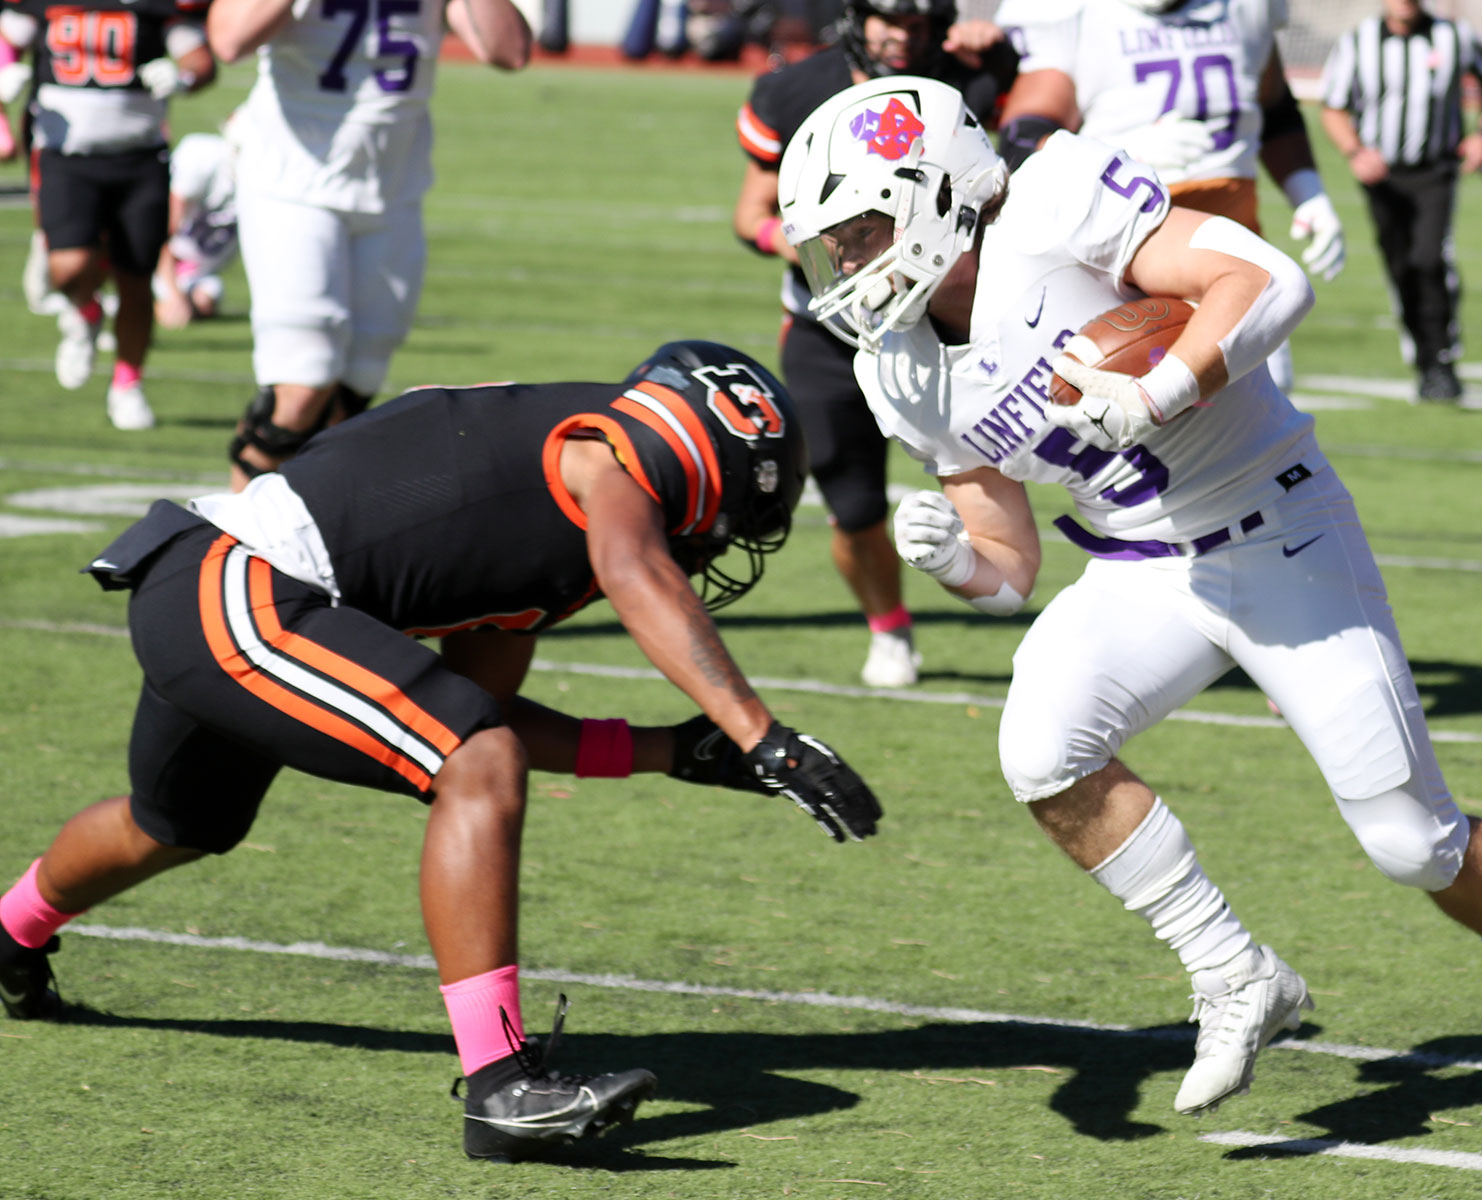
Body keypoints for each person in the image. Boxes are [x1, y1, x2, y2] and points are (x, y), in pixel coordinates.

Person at [778, 77, 1482, 1131]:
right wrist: (956, 558)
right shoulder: (898, 368)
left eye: (862, 230)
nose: (851, 264)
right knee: (1040, 748)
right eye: (837, 242)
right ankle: (1235, 973)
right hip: (1143, 565)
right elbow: (1011, 568)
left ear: (935, 191)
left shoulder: (1052, 201)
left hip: (1282, 534)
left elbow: (1267, 279)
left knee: (1413, 845)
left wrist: (1159, 387)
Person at [0, 341, 884, 1161]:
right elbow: (629, 573)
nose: (716, 545)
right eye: (727, 518)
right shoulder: (610, 455)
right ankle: (501, 1086)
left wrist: (667, 751)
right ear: (691, 459)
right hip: (242, 590)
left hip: (208, 587)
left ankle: (10, 932)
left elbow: (480, 707)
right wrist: (761, 735)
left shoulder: (553, 519)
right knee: (476, 761)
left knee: (177, 821)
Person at [732, 0, 1015, 687]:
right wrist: (814, 249)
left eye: (920, 23)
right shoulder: (796, 90)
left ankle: (1005, 568)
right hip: (836, 324)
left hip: (946, 319)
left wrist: (1005, 50)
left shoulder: (966, 85)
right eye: (890, 18)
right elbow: (751, 216)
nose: (904, 35)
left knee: (994, 465)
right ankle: (888, 627)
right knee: (853, 503)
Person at [207, 0, 532, 488]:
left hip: (392, 190)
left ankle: (309, 540)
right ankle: (231, 537)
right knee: (301, 385)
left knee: (354, 394)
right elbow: (229, 39)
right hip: (292, 186)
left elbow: (510, 50)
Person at [989, 0, 1345, 394]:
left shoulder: (1245, 8)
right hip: (1124, 275)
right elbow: (1021, 140)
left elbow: (1274, 108)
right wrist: (1118, 153)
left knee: (1264, 422)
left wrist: (1307, 191)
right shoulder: (1076, 15)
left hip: (1238, 270)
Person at [0, 0, 218, 430]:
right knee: (67, 268)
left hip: (139, 157)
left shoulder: (153, 8)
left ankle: (127, 383)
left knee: (136, 280)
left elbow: (200, 59)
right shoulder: (43, 6)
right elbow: (6, 40)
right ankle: (85, 311)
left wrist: (185, 77)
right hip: (66, 154)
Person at [1318, 0, 1482, 402]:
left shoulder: (1454, 36)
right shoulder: (1358, 42)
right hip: (1382, 176)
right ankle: (1422, 357)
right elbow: (1332, 106)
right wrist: (1354, 151)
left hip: (1435, 170)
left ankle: (1441, 360)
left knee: (1429, 259)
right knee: (1400, 265)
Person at [153, 126, 239, 328]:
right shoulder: (204, 159)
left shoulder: (264, 176)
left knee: (204, 302)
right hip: (165, 262)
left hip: (197, 268)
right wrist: (173, 293)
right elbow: (162, 233)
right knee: (172, 315)